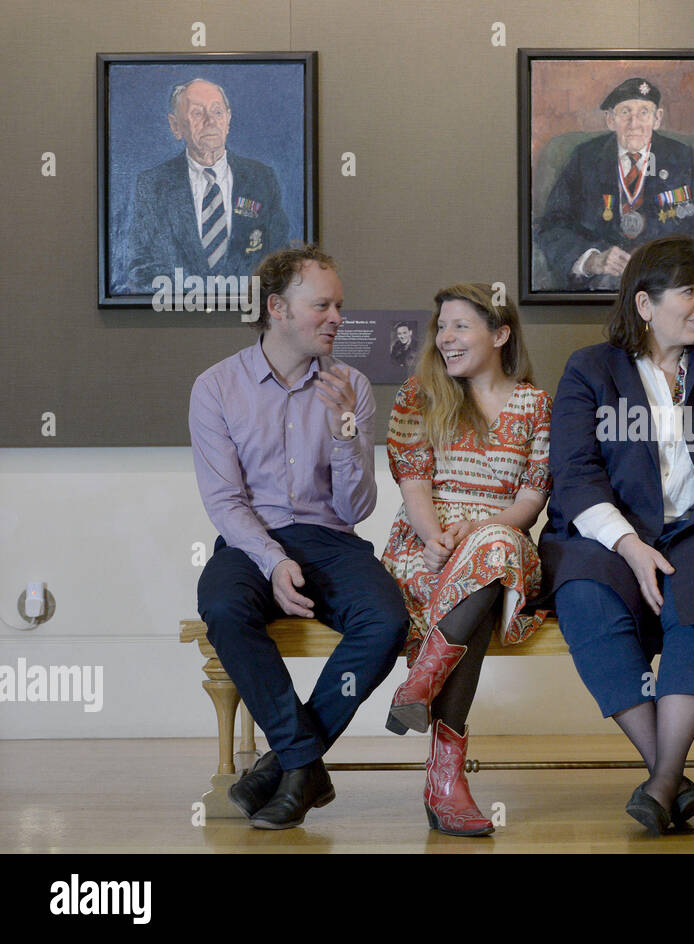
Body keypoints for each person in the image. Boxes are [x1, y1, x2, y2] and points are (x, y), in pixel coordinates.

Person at [539, 235, 694, 834]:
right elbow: (575, 473)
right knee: (586, 598)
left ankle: (663, 781)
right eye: (688, 291)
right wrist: (630, 546)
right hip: (605, 535)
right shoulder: (590, 369)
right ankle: (666, 771)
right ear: (644, 304)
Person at [191, 244, 408, 829]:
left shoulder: (351, 386)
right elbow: (224, 502)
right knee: (222, 605)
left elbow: (358, 507)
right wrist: (271, 559)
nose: (338, 317)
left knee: (387, 620)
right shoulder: (216, 387)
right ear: (278, 309)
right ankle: (304, 761)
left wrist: (344, 433)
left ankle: (283, 765)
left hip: (331, 538)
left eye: (340, 305)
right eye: (322, 305)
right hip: (250, 537)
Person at [381, 283, 552, 837]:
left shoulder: (535, 405)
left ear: (500, 334)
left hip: (500, 534)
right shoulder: (419, 395)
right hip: (426, 545)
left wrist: (479, 528)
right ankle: (444, 780)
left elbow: (530, 499)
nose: (445, 338)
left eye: (461, 326)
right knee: (475, 593)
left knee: (495, 552)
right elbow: (414, 483)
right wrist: (434, 538)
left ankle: (419, 686)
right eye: (442, 326)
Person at [534, 78, 694, 292]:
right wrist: (592, 259)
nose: (634, 123)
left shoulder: (682, 159)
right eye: (625, 112)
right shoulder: (584, 159)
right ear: (610, 120)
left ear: (657, 118)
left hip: (666, 284)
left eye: (644, 112)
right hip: (601, 285)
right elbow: (551, 226)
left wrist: (666, 261)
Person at [122, 78, 289, 294]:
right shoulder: (153, 185)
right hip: (179, 318)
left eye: (217, 112)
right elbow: (140, 268)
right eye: (198, 113)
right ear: (176, 126)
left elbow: (279, 258)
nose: (211, 121)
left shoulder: (261, 179)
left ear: (228, 119)